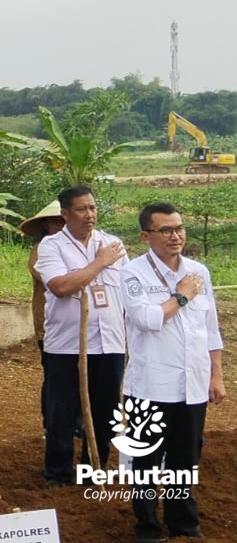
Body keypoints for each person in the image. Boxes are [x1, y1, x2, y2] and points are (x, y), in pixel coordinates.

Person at [121, 202, 224, 543]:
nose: (175, 235)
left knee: (184, 459)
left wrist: (216, 376)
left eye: (178, 228)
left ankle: (183, 522)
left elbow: (211, 330)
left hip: (192, 385)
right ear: (145, 236)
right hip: (150, 385)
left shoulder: (199, 272)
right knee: (146, 463)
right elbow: (146, 320)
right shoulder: (133, 273)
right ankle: (147, 526)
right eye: (165, 230)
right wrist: (180, 297)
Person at [35, 185, 128, 487]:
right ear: (65, 214)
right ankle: (58, 474)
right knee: (61, 410)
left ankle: (93, 466)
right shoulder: (52, 246)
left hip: (110, 343)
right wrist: (99, 263)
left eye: (92, 208)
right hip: (66, 345)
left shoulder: (113, 244)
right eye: (81, 209)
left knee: (105, 411)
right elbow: (60, 286)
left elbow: (125, 293)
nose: (89, 215)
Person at [20, 200, 65, 432]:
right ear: (46, 225)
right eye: (56, 221)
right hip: (50, 325)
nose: (61, 225)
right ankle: (52, 426)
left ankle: (76, 425)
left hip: (78, 326)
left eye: (64, 220)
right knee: (55, 377)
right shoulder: (41, 250)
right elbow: (53, 280)